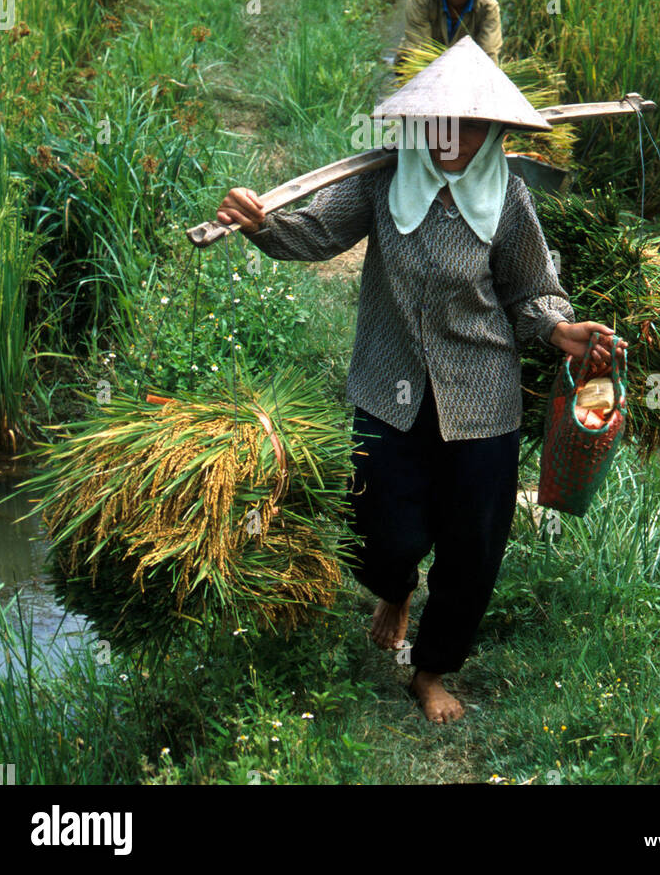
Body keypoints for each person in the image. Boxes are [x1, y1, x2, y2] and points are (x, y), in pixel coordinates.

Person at [216, 38, 626, 725]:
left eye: (470, 123)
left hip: (481, 400)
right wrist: (260, 224)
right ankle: (395, 587)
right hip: (389, 387)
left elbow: (530, 293)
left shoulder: (509, 197)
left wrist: (562, 331)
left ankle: (430, 670)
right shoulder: (381, 182)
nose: (452, 137)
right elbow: (314, 235)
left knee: (472, 546)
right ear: (415, 123)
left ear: (493, 129)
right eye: (438, 120)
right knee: (384, 534)